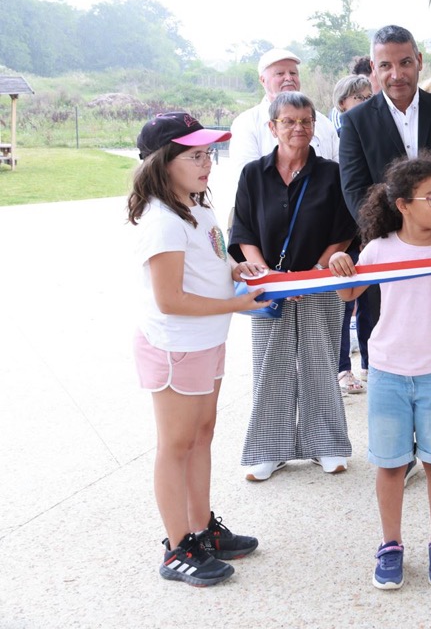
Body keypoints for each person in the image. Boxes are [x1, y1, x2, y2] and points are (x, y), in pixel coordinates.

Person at [328, 154, 431, 590]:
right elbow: (349, 291)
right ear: (403, 205)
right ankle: (390, 545)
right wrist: (340, 265)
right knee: (390, 466)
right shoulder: (380, 248)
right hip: (387, 373)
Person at [339, 25, 431, 485]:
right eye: (385, 64)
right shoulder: (358, 120)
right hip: (389, 252)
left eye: (404, 62)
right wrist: (401, 233)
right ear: (373, 67)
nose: (396, 73)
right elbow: (353, 188)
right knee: (387, 346)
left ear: (419, 60)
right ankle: (399, 451)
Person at [127, 111, 264, 586]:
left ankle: (202, 529)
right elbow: (170, 299)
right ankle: (177, 547)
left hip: (207, 340)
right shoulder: (162, 220)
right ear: (164, 163)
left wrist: (235, 271)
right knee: (176, 444)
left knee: (202, 434)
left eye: (209, 153)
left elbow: (213, 255)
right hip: (175, 347)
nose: (207, 163)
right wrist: (237, 304)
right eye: (194, 155)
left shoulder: (197, 207)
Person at [231, 92, 358, 481]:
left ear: (314, 127)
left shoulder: (332, 173)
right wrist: (263, 271)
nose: (298, 128)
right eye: (288, 121)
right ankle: (270, 450)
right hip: (267, 285)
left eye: (305, 121)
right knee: (271, 365)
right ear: (272, 127)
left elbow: (345, 231)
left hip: (319, 282)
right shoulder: (253, 173)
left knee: (321, 361)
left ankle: (328, 446)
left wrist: (316, 270)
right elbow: (244, 228)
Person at [328, 74, 374, 395]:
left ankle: (371, 362)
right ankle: (342, 367)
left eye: (369, 96)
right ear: (342, 102)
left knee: (373, 300)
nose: (365, 102)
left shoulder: (376, 133)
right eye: (358, 97)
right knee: (345, 305)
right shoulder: (335, 136)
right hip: (343, 233)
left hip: (372, 231)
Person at [227, 48, 339, 172]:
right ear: (262, 80)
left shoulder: (323, 123)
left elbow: (339, 173)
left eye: (293, 73)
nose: (288, 78)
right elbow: (247, 178)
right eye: (280, 74)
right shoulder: (246, 124)